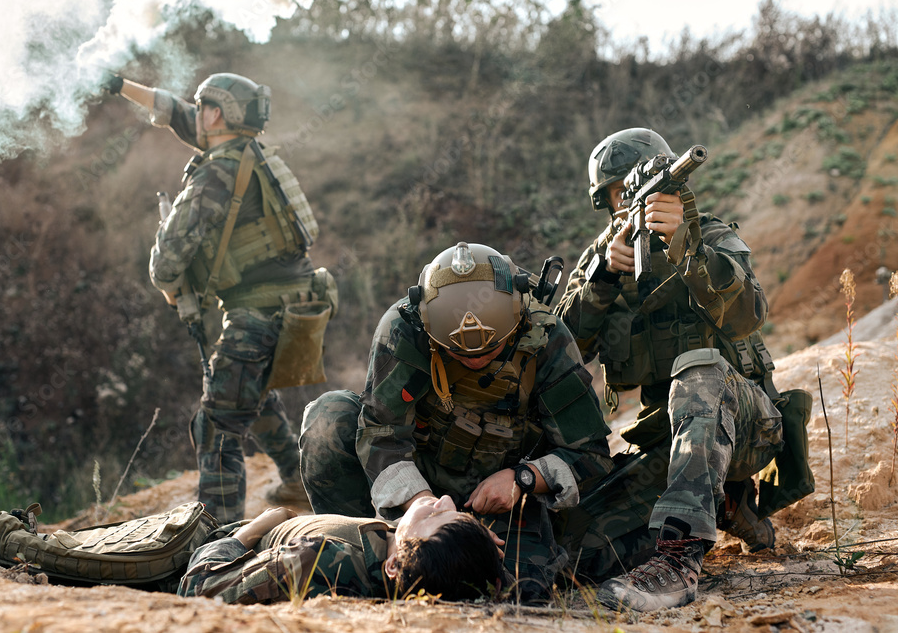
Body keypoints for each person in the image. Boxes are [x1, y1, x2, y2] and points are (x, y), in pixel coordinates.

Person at [554, 128, 796, 612]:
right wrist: (601, 281)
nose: (627, 200)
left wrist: (685, 243)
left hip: (745, 423)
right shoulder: (604, 254)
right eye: (617, 193)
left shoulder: (709, 233)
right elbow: (557, 353)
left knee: (699, 367)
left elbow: (750, 312)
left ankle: (679, 561)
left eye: (635, 187)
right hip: (671, 444)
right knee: (575, 549)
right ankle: (727, 504)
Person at [299, 241, 615, 601]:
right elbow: (382, 432)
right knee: (329, 417)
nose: (475, 360)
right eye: (457, 352)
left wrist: (523, 479)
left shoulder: (545, 338)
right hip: (416, 487)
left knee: (519, 594)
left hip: (504, 499)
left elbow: (590, 455)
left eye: (490, 349)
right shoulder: (406, 328)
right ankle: (367, 554)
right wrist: (420, 507)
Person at [106, 73, 335, 523]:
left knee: (216, 426)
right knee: (253, 392)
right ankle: (297, 480)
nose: (196, 115)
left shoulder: (216, 171)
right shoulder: (249, 152)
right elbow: (174, 111)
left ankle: (217, 539)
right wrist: (119, 84)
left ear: (217, 114)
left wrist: (173, 288)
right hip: (298, 304)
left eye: (203, 107)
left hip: (260, 315)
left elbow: (167, 258)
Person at [177, 495, 506, 603]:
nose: (445, 499)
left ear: (393, 565)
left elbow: (197, 590)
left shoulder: (321, 561)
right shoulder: (414, 561)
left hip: (196, 549)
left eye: (437, 515)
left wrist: (253, 530)